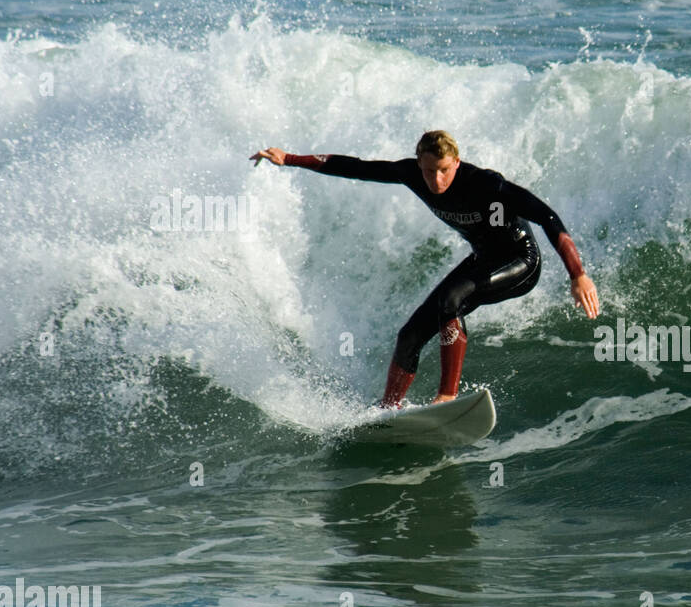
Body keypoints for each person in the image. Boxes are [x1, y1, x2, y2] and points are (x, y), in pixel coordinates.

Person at [250, 131, 599, 407]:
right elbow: (356, 167)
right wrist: (290, 159)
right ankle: (389, 408)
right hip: (483, 259)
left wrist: (577, 274)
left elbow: (547, 216)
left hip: (518, 260)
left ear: (456, 163)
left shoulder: (486, 185)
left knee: (451, 299)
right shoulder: (411, 173)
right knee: (409, 336)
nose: (436, 179)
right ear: (419, 163)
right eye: (429, 170)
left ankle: (447, 396)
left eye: (444, 170)